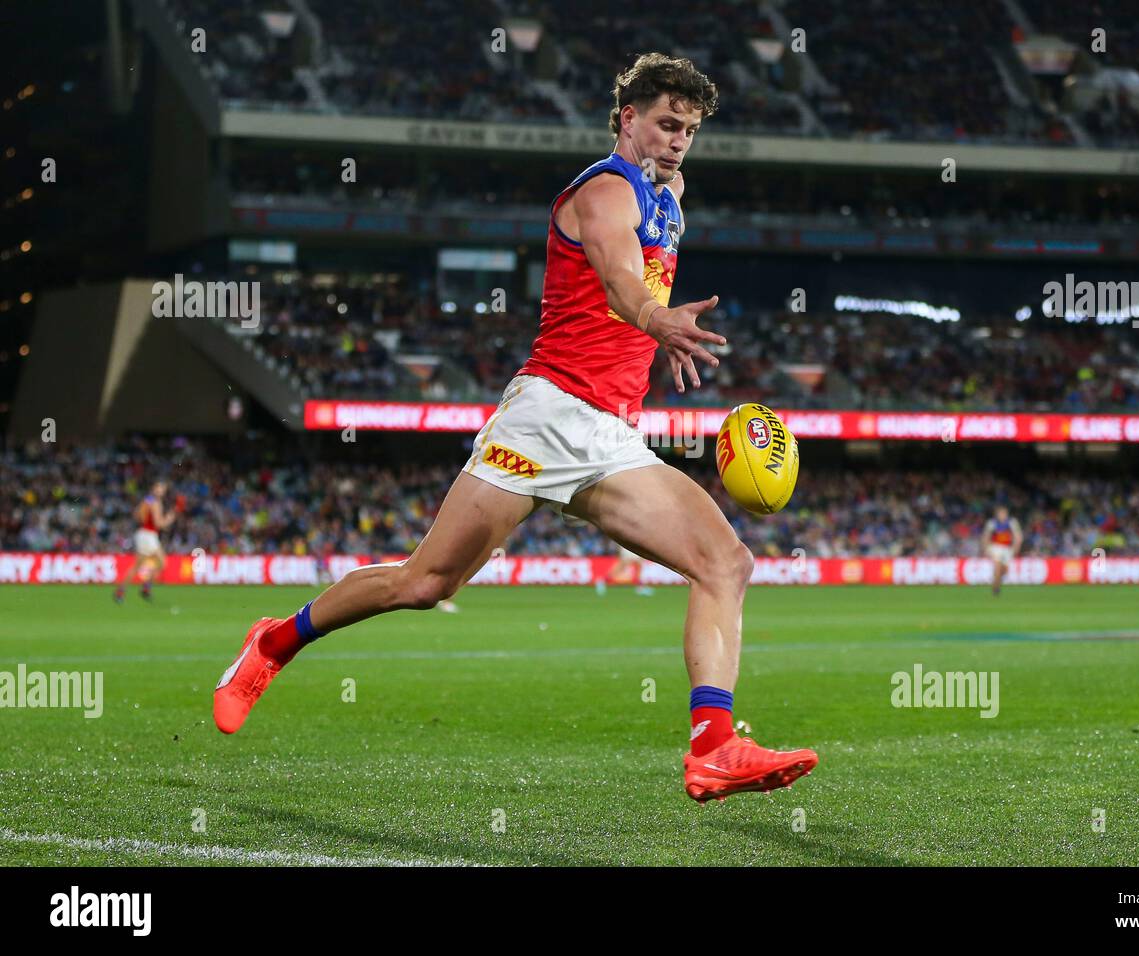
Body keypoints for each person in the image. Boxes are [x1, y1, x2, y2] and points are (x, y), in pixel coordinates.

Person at [214, 52, 817, 803]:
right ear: (627, 119)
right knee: (426, 581)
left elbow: (637, 295)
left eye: (689, 130)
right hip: (544, 420)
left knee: (725, 564)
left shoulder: (674, 195)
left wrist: (654, 350)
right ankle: (276, 639)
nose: (677, 140)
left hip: (611, 435)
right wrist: (658, 320)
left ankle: (713, 746)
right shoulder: (602, 191)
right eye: (666, 123)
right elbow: (623, 283)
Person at [113, 482, 175, 603]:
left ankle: (124, 590)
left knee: (142, 565)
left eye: (162, 489)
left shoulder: (147, 500)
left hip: (145, 534)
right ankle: (144, 588)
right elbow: (158, 523)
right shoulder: (155, 502)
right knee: (160, 562)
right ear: (154, 489)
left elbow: (137, 515)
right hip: (148, 535)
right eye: (159, 488)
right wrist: (169, 520)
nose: (161, 491)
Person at [981, 505, 1021, 597]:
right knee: (997, 567)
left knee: (1004, 570)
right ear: (997, 514)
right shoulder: (992, 523)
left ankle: (996, 580)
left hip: (1007, 549)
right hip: (996, 547)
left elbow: (1017, 535)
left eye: (1004, 513)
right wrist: (985, 548)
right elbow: (986, 536)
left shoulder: (1012, 522)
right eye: (1000, 513)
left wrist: (1016, 547)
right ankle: (995, 589)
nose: (1002, 515)